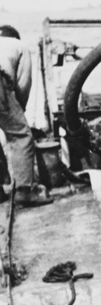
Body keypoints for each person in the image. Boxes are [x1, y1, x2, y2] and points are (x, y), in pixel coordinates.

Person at [0, 25, 51, 207]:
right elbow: (23, 83)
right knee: (21, 135)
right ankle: (24, 192)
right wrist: (19, 111)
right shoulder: (19, 45)